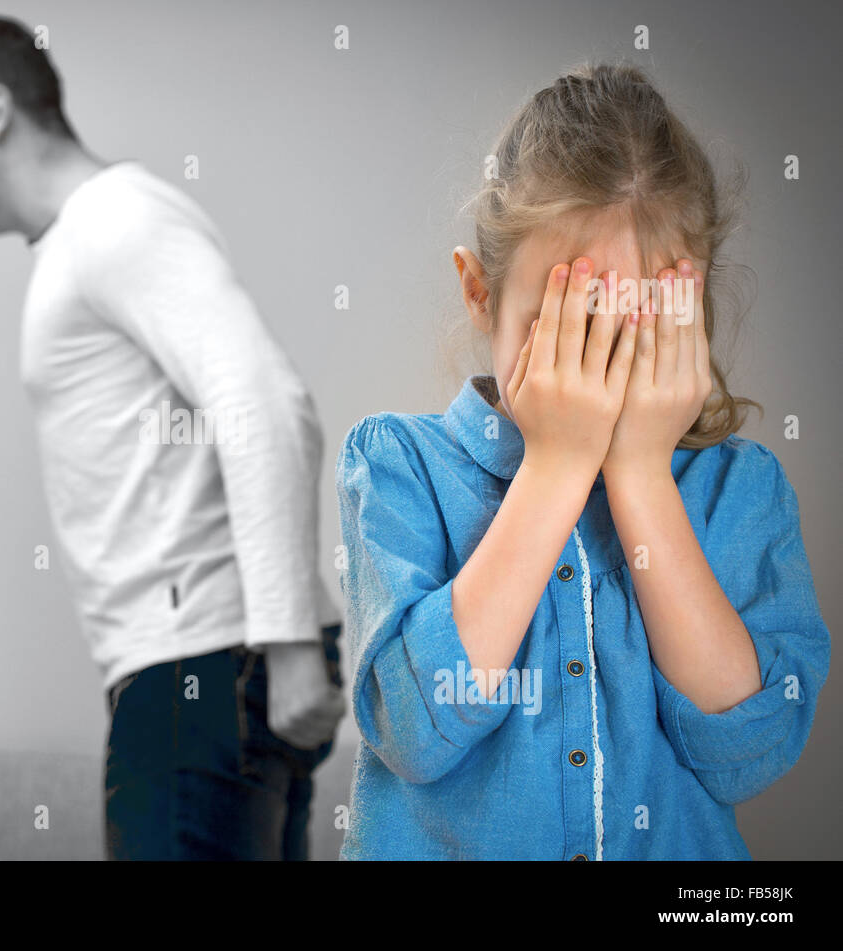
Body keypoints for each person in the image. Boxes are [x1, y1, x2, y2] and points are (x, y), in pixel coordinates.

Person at [336, 62, 830, 859]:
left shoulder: (739, 488)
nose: (599, 367)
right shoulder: (397, 465)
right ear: (480, 292)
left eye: (635, 330)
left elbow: (751, 749)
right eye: (570, 325)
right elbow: (416, 731)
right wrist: (557, 466)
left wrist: (639, 473)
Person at [0, 15, 344, 860]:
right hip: (196, 671)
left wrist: (286, 644)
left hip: (203, 667)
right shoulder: (83, 236)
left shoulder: (116, 220)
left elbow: (264, 400)